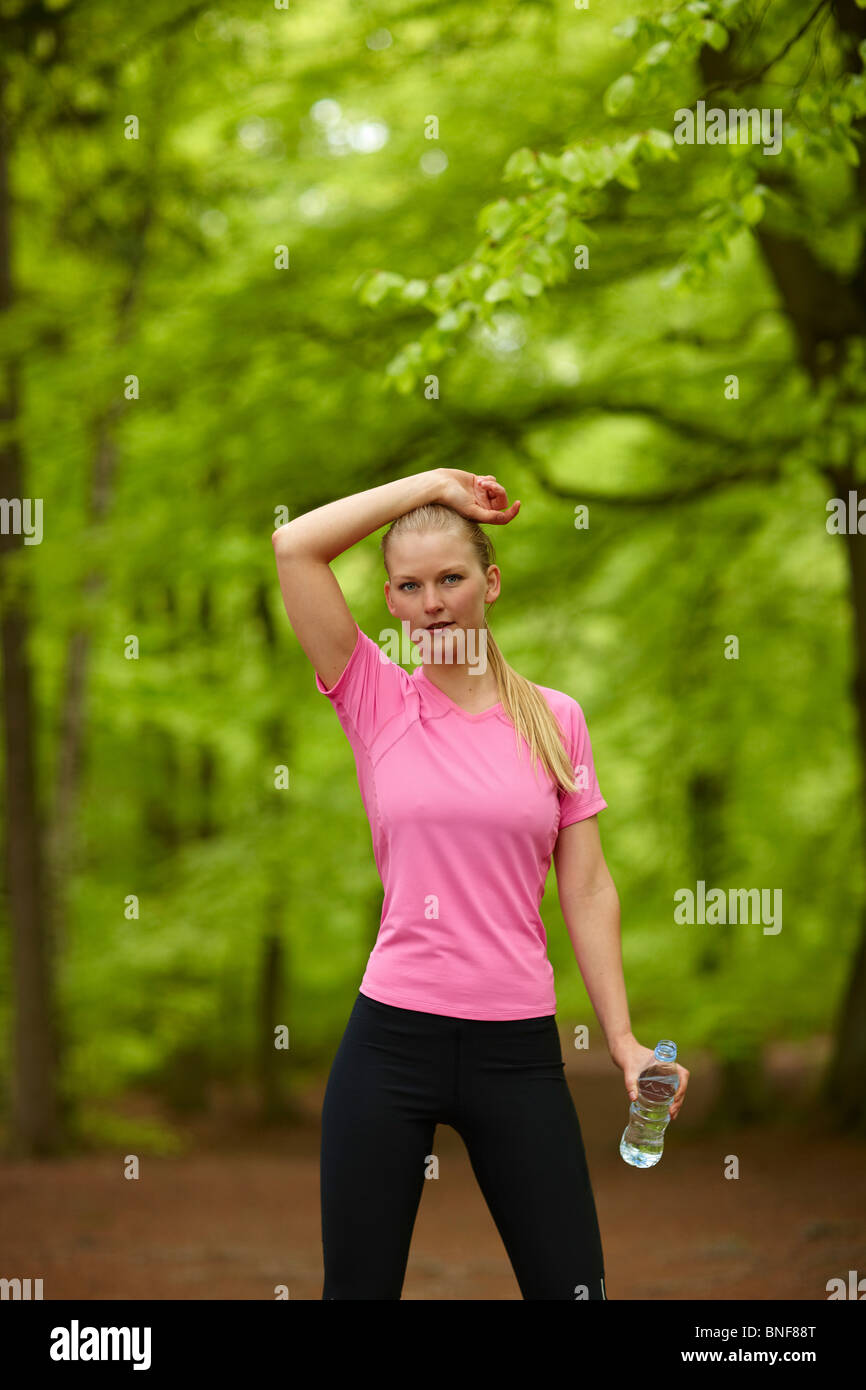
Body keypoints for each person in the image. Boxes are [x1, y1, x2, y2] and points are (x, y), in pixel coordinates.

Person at [271, 467, 689, 1300]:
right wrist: (431, 484)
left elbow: (590, 888)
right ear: (391, 601)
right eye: (411, 585)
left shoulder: (554, 718)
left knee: (574, 1288)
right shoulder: (376, 700)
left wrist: (621, 1039)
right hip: (390, 1040)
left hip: (517, 1049)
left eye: (452, 578)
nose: (433, 601)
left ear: (490, 583)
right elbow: (294, 545)